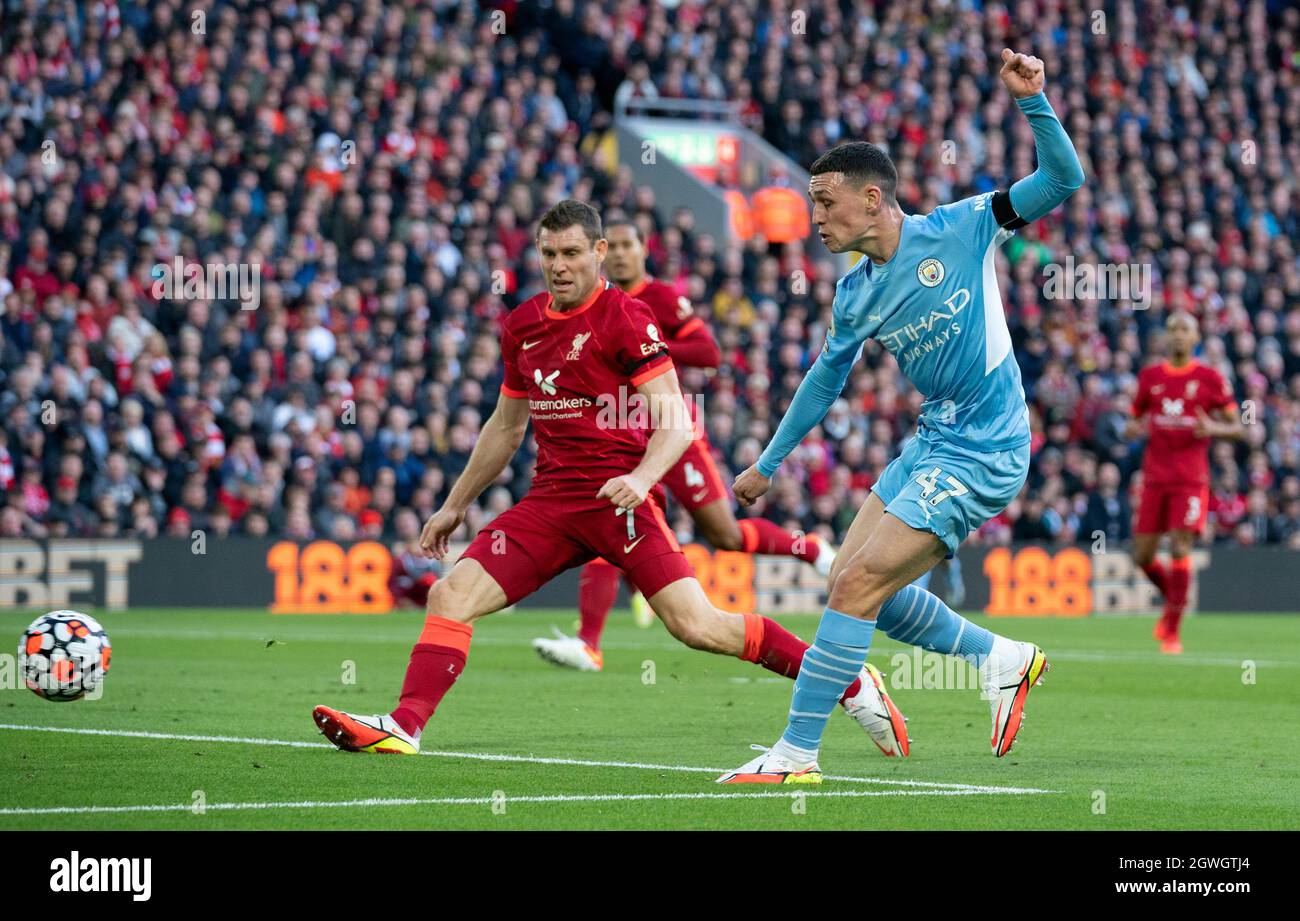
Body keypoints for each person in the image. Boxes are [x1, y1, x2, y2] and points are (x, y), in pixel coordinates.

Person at [313, 200, 907, 757]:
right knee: (450, 594)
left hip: (619, 503)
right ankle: (404, 726)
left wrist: (643, 478)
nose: (558, 266)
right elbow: (505, 426)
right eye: (548, 254)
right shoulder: (522, 325)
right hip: (550, 505)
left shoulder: (626, 316)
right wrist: (454, 505)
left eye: (571, 253)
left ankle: (847, 682)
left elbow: (674, 420)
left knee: (699, 628)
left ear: (599, 253)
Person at [718, 49, 1084, 784]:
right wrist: (768, 461)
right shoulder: (854, 294)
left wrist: (1033, 101)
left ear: (874, 199)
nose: (813, 216)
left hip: (987, 445)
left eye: (825, 201)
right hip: (932, 441)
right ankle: (1001, 659)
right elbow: (824, 382)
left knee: (855, 587)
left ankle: (796, 753)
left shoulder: (963, 225)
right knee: (852, 584)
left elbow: (1063, 180)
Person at [533, 219, 836, 673]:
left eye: (626, 244)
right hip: (620, 434)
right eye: (610, 246)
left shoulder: (659, 299)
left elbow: (709, 353)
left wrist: (645, 345)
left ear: (641, 250)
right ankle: (589, 643)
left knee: (725, 535)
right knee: (606, 517)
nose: (617, 254)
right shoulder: (589, 306)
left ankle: (808, 548)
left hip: (674, 433)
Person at [1127, 312, 1242, 654]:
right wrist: (1132, 429)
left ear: (1196, 338)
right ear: (1165, 337)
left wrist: (1216, 429)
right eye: (1173, 329)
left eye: (1185, 330)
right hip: (1154, 478)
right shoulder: (1150, 377)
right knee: (1143, 556)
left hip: (1191, 479)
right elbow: (1134, 420)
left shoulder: (1210, 378)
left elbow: (1237, 427)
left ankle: (1172, 633)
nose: (1178, 335)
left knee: (1180, 548)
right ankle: (1174, 601)